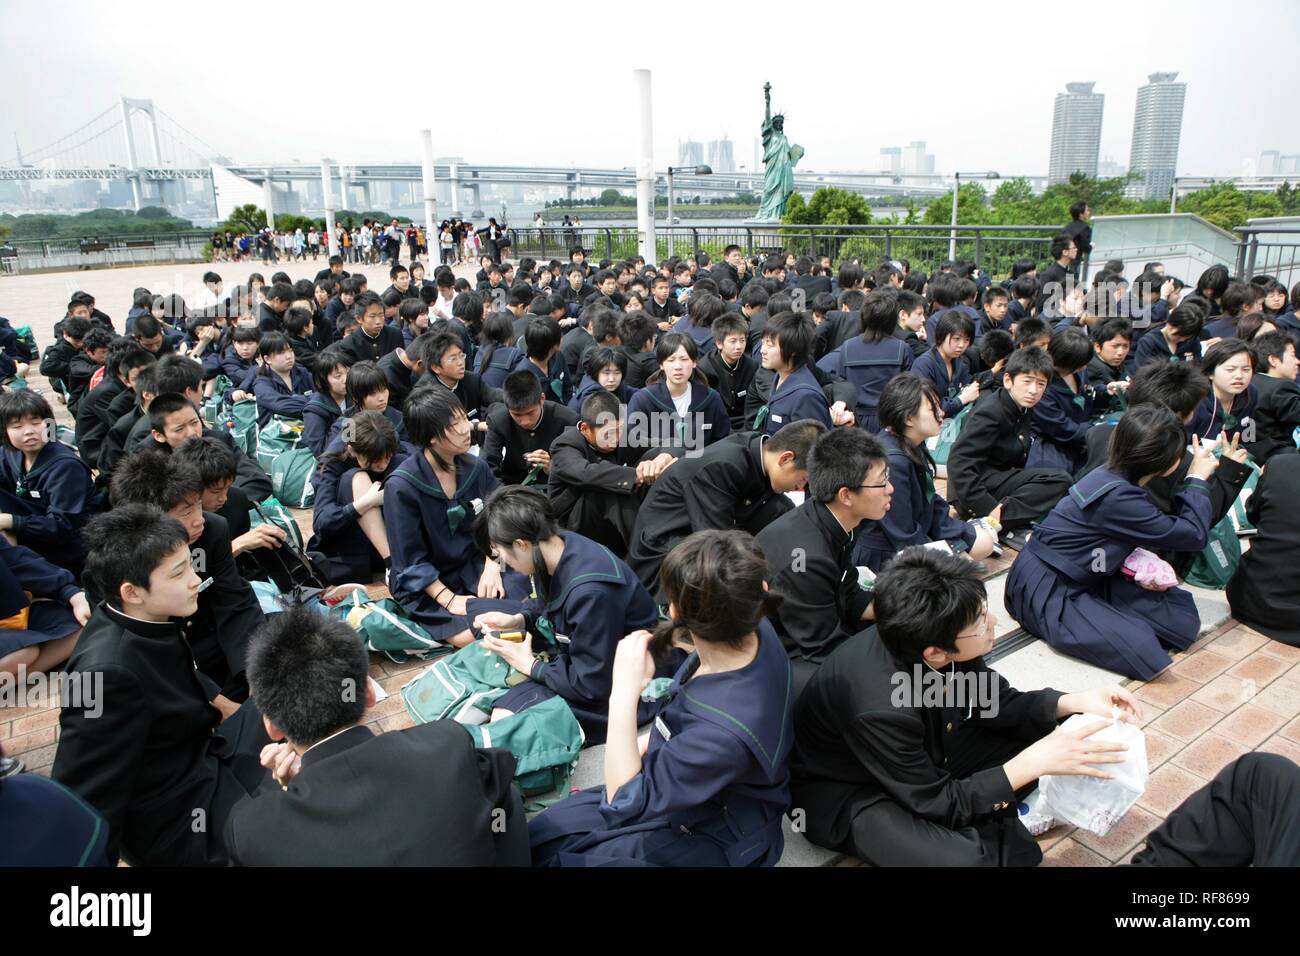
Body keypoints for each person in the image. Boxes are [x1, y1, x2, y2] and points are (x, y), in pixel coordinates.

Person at [792, 547, 1141, 866]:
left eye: (983, 610)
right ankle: (995, 822)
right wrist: (1029, 765)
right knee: (967, 860)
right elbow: (936, 801)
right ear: (936, 653)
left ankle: (996, 816)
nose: (992, 625)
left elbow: (998, 703)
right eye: (978, 621)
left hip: (925, 756)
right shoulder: (879, 704)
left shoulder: (932, 633)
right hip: (853, 790)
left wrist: (1075, 701)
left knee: (1065, 732)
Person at [529, 529, 794, 867]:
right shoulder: (753, 626)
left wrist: (623, 692)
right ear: (760, 593)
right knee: (545, 833)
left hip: (725, 832)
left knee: (568, 860)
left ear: (674, 610)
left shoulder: (722, 733)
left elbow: (620, 799)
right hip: (701, 785)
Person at [223, 606, 528, 866]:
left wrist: (286, 790)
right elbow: (503, 786)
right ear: (369, 691)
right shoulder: (446, 745)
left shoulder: (252, 829)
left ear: (271, 726)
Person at [52, 505, 271, 866]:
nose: (194, 578)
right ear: (132, 591)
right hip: (180, 816)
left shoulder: (142, 615)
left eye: (190, 564)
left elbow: (174, 675)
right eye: (179, 572)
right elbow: (83, 797)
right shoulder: (104, 675)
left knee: (295, 705)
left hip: (205, 757)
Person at [1006, 405, 1220, 679]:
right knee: (1141, 648)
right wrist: (1197, 478)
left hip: (1083, 574)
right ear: (1168, 462)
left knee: (1179, 623)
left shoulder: (1115, 475)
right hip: (1046, 587)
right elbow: (1192, 536)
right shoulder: (1119, 496)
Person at [470, 486, 669, 742]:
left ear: (521, 544)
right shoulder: (560, 546)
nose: (505, 564)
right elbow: (547, 605)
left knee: (508, 718)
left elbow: (591, 686)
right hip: (587, 658)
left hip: (627, 683)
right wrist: (520, 619)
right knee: (485, 641)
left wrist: (529, 664)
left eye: (503, 556)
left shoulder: (591, 592)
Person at [110, 449, 264, 699]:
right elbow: (135, 642)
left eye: (199, 505)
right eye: (185, 513)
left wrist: (253, 671)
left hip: (209, 638)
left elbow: (234, 600)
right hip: (157, 658)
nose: (199, 520)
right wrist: (216, 700)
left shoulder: (213, 529)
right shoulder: (118, 556)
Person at [384, 387, 526, 648]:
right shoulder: (403, 486)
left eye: (463, 418)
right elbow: (410, 559)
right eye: (453, 425)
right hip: (429, 582)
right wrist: (449, 600)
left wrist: (493, 563)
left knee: (523, 599)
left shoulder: (476, 468)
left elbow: (499, 519)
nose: (465, 429)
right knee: (483, 631)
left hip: (476, 562)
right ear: (431, 437)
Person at [628, 420, 823, 601]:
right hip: (665, 557)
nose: (800, 488)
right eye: (803, 479)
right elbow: (717, 544)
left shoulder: (759, 451)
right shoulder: (724, 466)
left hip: (699, 535)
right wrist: (758, 582)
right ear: (785, 458)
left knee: (784, 513)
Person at [756, 428, 890, 689]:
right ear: (846, 495)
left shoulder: (832, 519)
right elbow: (823, 648)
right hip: (784, 661)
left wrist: (908, 609)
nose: (890, 489)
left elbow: (849, 594)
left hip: (815, 630)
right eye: (882, 482)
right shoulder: (807, 558)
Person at [854, 374, 997, 571]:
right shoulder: (892, 461)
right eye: (933, 409)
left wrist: (960, 538)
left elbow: (931, 502)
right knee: (972, 558)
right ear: (908, 418)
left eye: (939, 406)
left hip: (915, 533)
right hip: (885, 554)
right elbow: (902, 534)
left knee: (984, 541)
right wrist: (951, 554)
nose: (942, 413)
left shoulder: (911, 443)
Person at [948, 347, 1072, 546]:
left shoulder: (1021, 406)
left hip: (997, 478)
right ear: (1008, 380)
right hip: (974, 491)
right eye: (1027, 381)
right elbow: (959, 464)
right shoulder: (991, 412)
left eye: (1041, 384)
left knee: (1057, 479)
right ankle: (996, 521)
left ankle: (1003, 518)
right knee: (1059, 480)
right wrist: (988, 508)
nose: (1034, 390)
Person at [547, 390, 676, 556]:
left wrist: (662, 459)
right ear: (585, 429)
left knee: (656, 458)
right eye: (607, 434)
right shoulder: (564, 445)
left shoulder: (620, 434)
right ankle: (645, 554)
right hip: (573, 523)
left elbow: (668, 443)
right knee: (609, 489)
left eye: (619, 430)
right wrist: (638, 474)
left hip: (610, 519)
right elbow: (586, 474)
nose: (615, 439)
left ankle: (667, 531)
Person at [0, 390, 101, 577]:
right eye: (17, 426)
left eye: (36, 422)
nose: (29, 431)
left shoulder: (65, 467)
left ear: (49, 424)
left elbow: (61, 527)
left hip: (73, 549)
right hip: (37, 532)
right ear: (5, 431)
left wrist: (10, 521)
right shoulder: (10, 453)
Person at [307, 411, 402, 584]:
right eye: (374, 460)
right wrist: (367, 502)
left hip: (394, 537)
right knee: (352, 477)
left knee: (404, 466)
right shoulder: (333, 462)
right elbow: (322, 522)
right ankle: (393, 565)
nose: (382, 464)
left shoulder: (388, 441)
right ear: (352, 451)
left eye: (386, 457)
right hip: (352, 545)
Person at [816, 287, 916, 431]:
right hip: (890, 422)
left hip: (853, 421)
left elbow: (841, 384)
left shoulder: (847, 347)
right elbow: (909, 391)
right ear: (892, 320)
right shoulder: (902, 349)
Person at [625, 332, 731, 454]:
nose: (678, 366)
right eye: (671, 360)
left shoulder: (711, 398)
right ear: (661, 364)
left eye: (684, 359)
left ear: (694, 362)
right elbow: (633, 445)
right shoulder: (643, 399)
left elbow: (723, 440)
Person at [0, 536, 91, 678]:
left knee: (85, 625)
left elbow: (17, 561)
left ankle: (12, 679)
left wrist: (71, 593)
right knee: (22, 653)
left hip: (13, 616)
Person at [910, 309, 980, 421]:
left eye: (966, 340)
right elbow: (930, 408)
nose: (962, 345)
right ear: (942, 336)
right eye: (956, 339)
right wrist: (962, 399)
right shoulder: (923, 364)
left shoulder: (959, 362)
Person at [1187, 338, 1257, 443]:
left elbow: (1248, 438)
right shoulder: (1194, 399)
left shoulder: (1250, 393)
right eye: (1230, 370)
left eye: (1246, 370)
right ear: (1210, 373)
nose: (1239, 376)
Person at [1245, 330, 1300, 463]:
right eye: (1293, 355)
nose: (1297, 361)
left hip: (1249, 454)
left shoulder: (1249, 382)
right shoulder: (1280, 387)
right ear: (1273, 360)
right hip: (1277, 457)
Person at [251, 331, 314, 428]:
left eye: (290, 350)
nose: (289, 356)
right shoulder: (262, 384)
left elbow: (322, 396)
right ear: (267, 359)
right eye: (281, 353)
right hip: (277, 438)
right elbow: (280, 406)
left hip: (306, 429)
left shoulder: (303, 373)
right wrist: (311, 401)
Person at [302, 346, 353, 458]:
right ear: (324, 379)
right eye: (338, 376)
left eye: (347, 372)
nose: (346, 379)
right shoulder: (315, 410)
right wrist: (346, 422)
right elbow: (319, 451)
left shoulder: (354, 396)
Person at [341, 291, 404, 363]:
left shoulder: (395, 334)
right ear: (359, 319)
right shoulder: (349, 344)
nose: (378, 321)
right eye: (372, 316)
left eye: (381, 315)